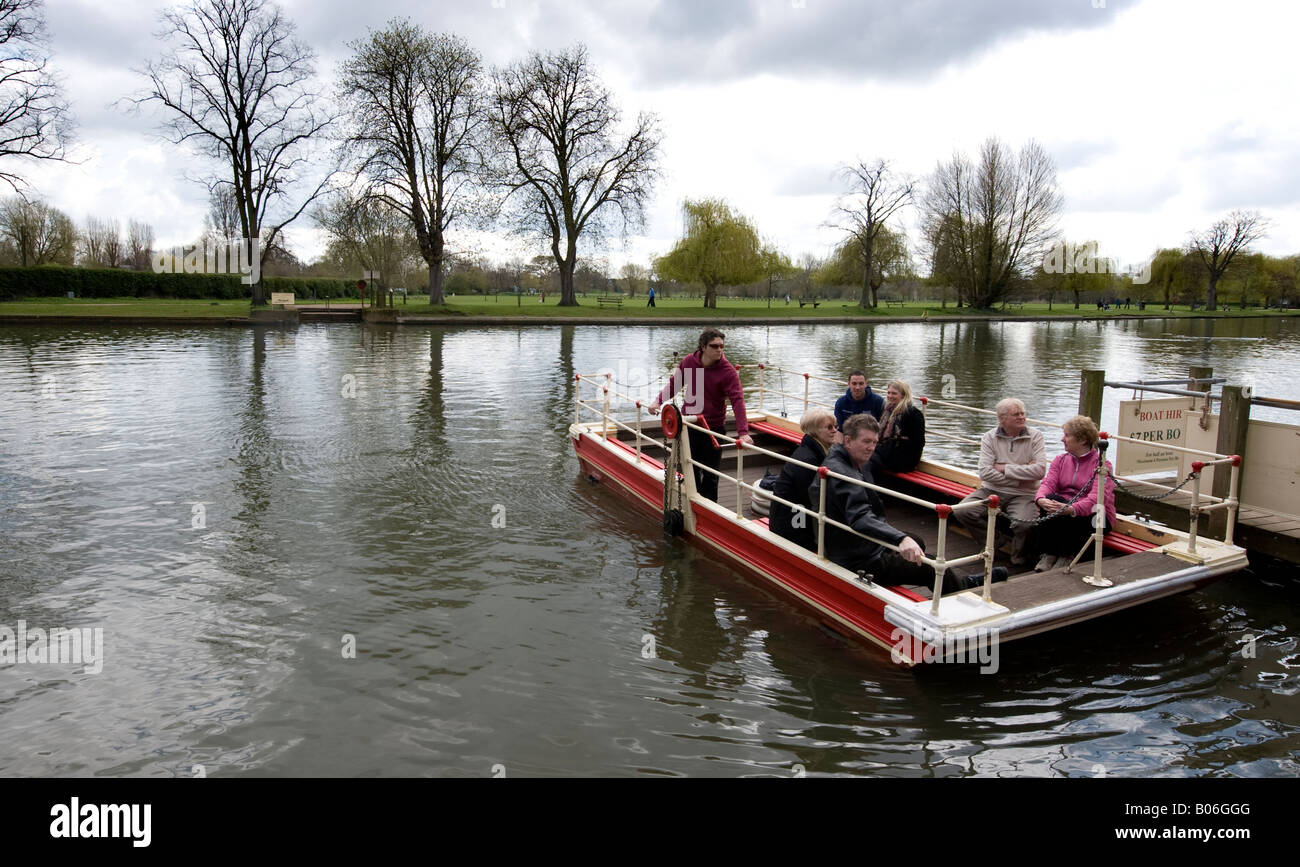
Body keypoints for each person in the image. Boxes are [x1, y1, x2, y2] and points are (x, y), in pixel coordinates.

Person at [809, 414, 1003, 594]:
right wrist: (900, 539)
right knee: (931, 566)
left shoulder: (838, 458)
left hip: (854, 543)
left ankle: (956, 582)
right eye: (866, 441)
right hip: (857, 557)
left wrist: (901, 538)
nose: (871, 447)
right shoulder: (844, 473)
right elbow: (859, 517)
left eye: (875, 442)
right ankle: (961, 591)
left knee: (916, 541)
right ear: (848, 441)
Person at [650, 328, 752, 502]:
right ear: (703, 347)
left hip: (713, 427)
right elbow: (675, 384)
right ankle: (691, 503)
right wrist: (658, 401)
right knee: (689, 469)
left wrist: (743, 432)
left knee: (711, 473)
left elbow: (738, 401)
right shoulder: (689, 361)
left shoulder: (727, 372)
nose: (719, 350)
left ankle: (709, 509)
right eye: (714, 346)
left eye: (722, 346)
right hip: (688, 424)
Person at [954, 398, 1048, 567]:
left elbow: (1040, 471)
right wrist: (1022, 476)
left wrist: (1004, 468)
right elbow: (985, 472)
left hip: (1024, 494)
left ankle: (1018, 556)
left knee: (1023, 523)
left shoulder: (1035, 436)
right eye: (1016, 414)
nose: (1021, 417)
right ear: (1002, 419)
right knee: (962, 511)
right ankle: (996, 541)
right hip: (991, 490)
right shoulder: (989, 438)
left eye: (1023, 413)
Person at [1032, 416, 1117, 571]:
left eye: (1067, 435)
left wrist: (1071, 509)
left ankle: (1065, 556)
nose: (1062, 439)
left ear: (1082, 440)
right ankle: (1050, 554)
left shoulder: (1102, 465)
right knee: (1050, 501)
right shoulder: (1060, 460)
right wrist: (1040, 499)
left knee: (1066, 514)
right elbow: (1047, 484)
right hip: (1064, 507)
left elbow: (1096, 500)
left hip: (1097, 517)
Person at [769, 409, 837, 550]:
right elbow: (809, 497)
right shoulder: (808, 459)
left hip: (795, 512)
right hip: (791, 520)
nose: (834, 430)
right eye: (829, 427)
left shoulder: (814, 450)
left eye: (835, 426)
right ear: (814, 430)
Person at [869, 379, 926, 475]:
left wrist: (894, 444)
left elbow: (919, 442)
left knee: (866, 460)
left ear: (903, 395)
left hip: (903, 458)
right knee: (860, 453)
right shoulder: (888, 409)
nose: (890, 396)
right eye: (889, 393)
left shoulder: (912, 413)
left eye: (894, 394)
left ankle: (865, 487)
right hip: (886, 452)